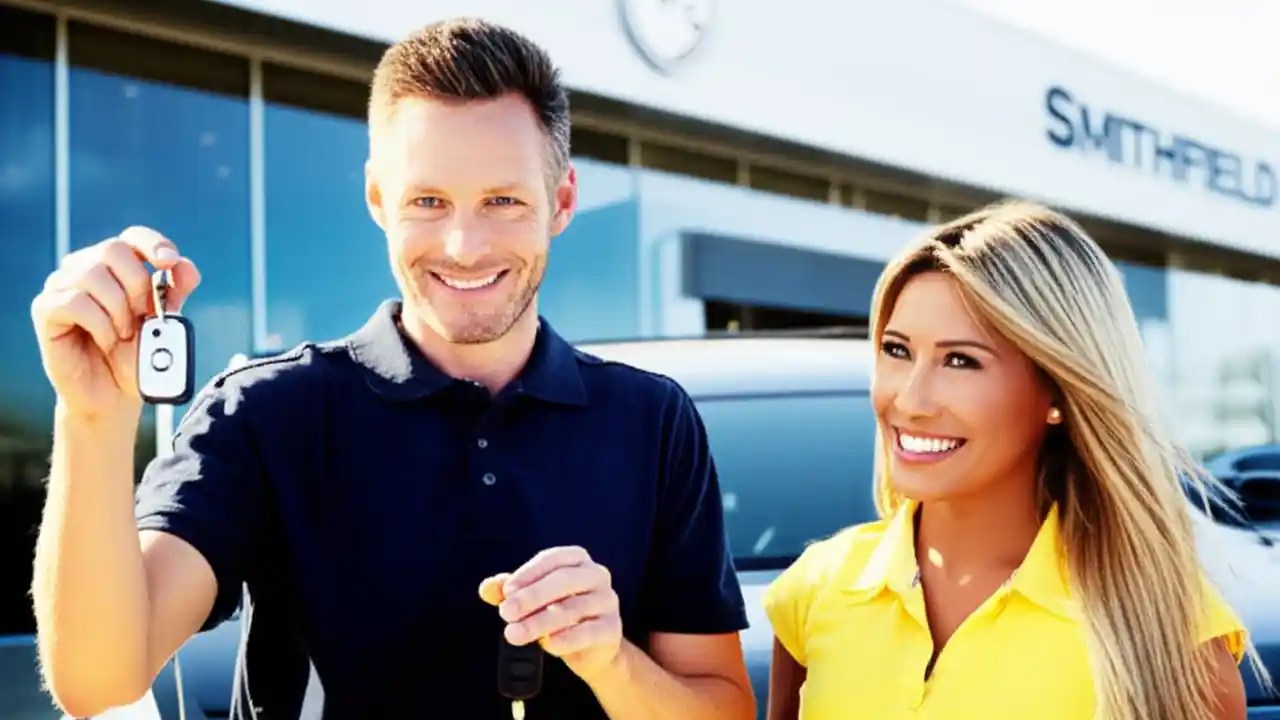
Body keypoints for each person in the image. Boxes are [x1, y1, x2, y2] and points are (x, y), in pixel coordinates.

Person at [28, 17, 755, 720]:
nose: (464, 246)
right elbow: (97, 682)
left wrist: (614, 661)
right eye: (428, 201)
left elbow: (722, 708)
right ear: (379, 199)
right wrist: (92, 418)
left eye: (502, 200)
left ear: (560, 202)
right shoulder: (267, 415)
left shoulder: (652, 423)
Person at [763, 200, 1262, 720]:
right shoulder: (815, 590)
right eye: (897, 350)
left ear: (1057, 390)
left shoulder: (1167, 633)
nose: (909, 400)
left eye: (961, 361)